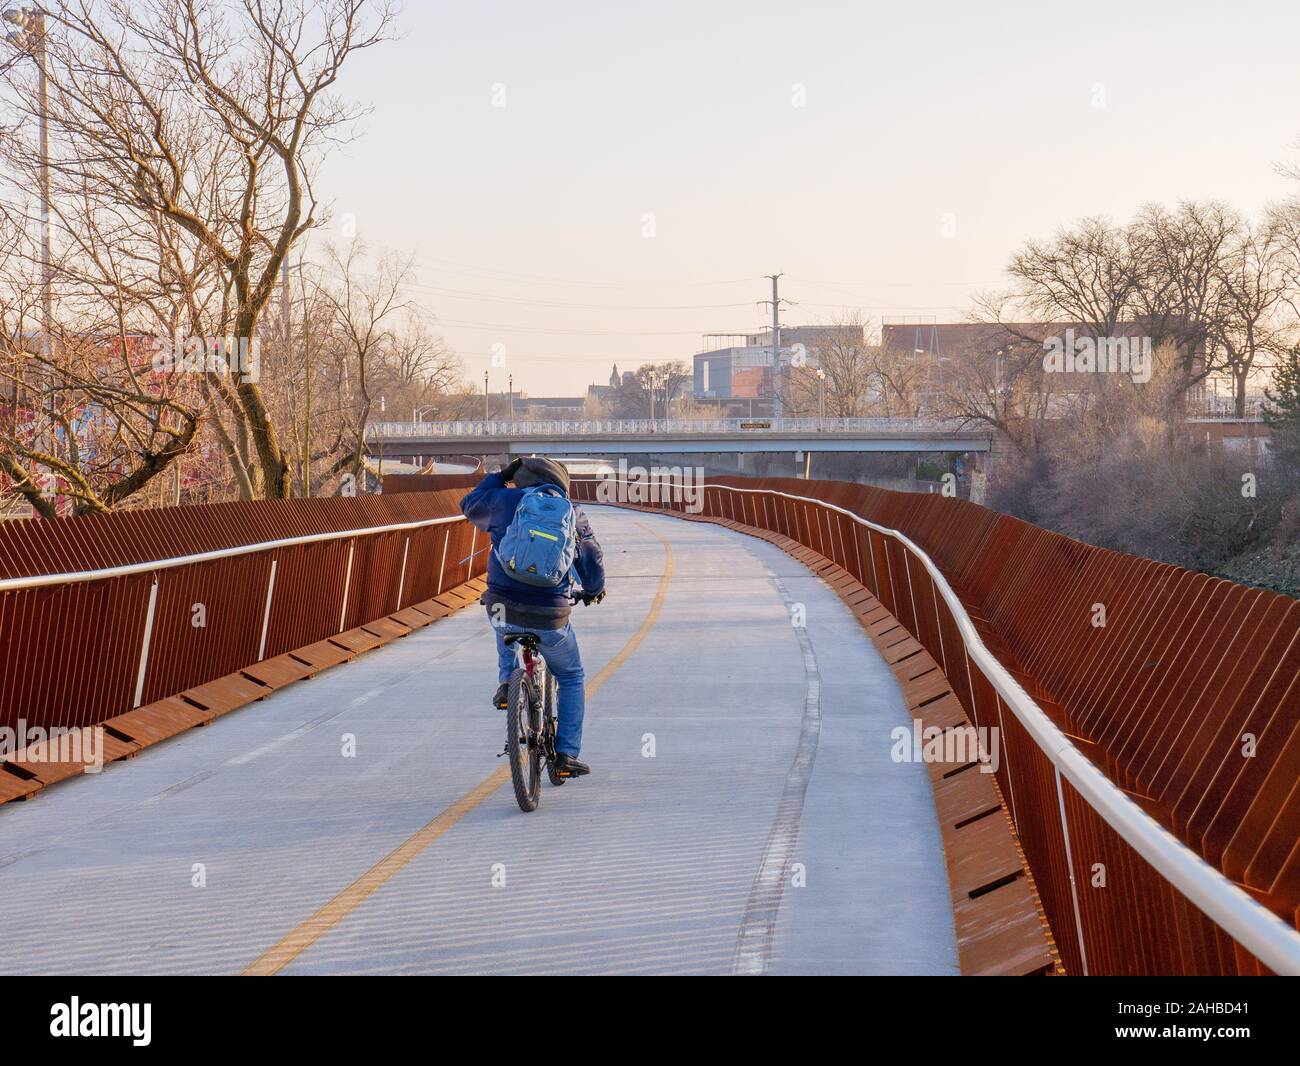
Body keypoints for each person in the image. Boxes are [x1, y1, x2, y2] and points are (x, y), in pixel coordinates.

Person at [460, 456, 605, 777]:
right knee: (570, 676)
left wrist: (499, 477)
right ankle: (566, 754)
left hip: (502, 605)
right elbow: (591, 558)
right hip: (550, 613)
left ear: (520, 479)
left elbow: (468, 505)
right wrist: (594, 589)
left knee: (502, 621)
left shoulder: (503, 501)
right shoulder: (571, 512)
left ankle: (506, 684)